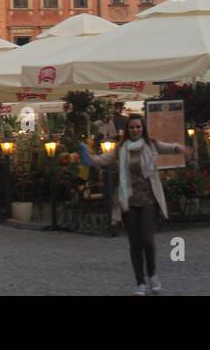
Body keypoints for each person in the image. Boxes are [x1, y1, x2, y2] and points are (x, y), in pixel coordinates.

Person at [79, 114, 187, 296]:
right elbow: (102, 159)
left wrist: (180, 148)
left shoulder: (150, 144)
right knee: (135, 243)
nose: (135, 130)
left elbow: (168, 147)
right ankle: (140, 282)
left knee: (147, 240)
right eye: (132, 127)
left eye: (138, 127)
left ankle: (152, 274)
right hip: (128, 201)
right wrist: (87, 158)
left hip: (148, 200)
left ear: (143, 128)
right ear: (127, 130)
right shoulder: (121, 148)